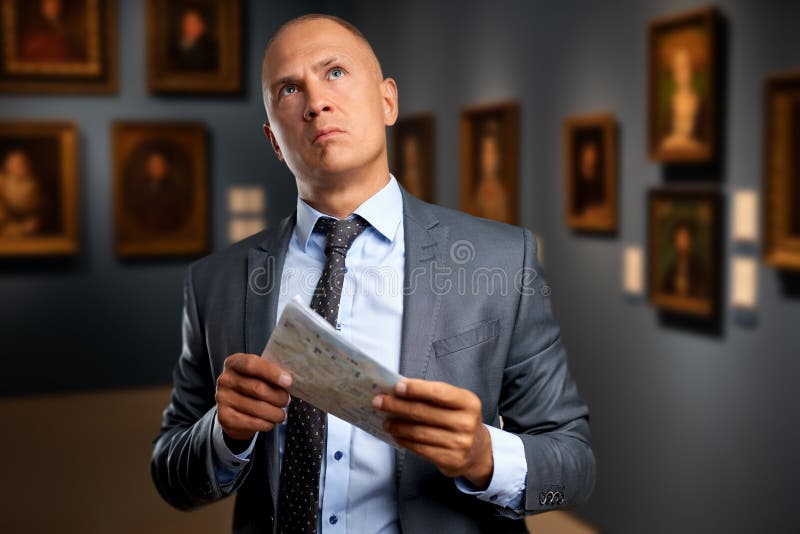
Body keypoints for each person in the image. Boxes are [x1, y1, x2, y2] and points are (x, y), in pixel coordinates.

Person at [151, 14, 594, 534]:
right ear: (274, 140)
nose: (316, 102)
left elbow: (574, 466)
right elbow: (171, 476)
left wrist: (482, 455)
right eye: (289, 89)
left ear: (388, 101)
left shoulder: (502, 261)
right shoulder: (214, 282)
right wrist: (223, 434)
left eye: (335, 72)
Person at [122, 146, 193, 235]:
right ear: (148, 167)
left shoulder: (177, 192)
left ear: (167, 168)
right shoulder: (138, 191)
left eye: (159, 165)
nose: (156, 169)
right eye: (153, 165)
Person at [0, 149, 44, 238]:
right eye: (16, 164)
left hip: (30, 226)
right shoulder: (2, 183)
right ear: (8, 167)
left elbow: (38, 209)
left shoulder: (33, 184)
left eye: (24, 163)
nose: (21, 167)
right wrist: (21, 228)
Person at [473, 120, 510, 222]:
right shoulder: (479, 190)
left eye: (491, 154)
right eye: (484, 154)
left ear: (498, 157)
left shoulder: (500, 191)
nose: (487, 160)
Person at [170, 7, 219, 72]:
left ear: (201, 25)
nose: (188, 26)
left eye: (193, 23)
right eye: (186, 22)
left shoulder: (210, 46)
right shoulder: (175, 42)